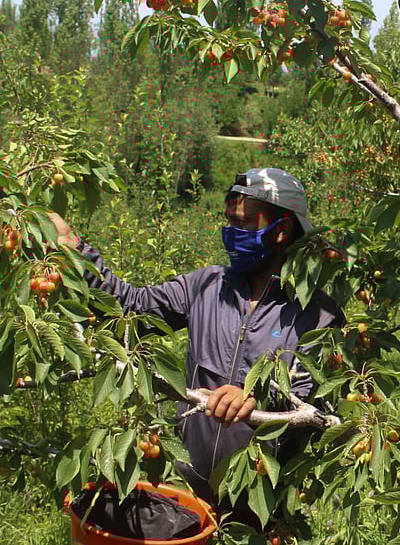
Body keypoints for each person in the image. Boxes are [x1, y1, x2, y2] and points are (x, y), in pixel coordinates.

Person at [50, 168, 343, 520]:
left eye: (246, 223)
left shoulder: (318, 315)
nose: (232, 232)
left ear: (281, 230)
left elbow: (313, 406)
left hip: (260, 506)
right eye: (229, 221)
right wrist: (77, 253)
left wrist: (255, 399)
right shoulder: (205, 286)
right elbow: (132, 309)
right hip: (185, 493)